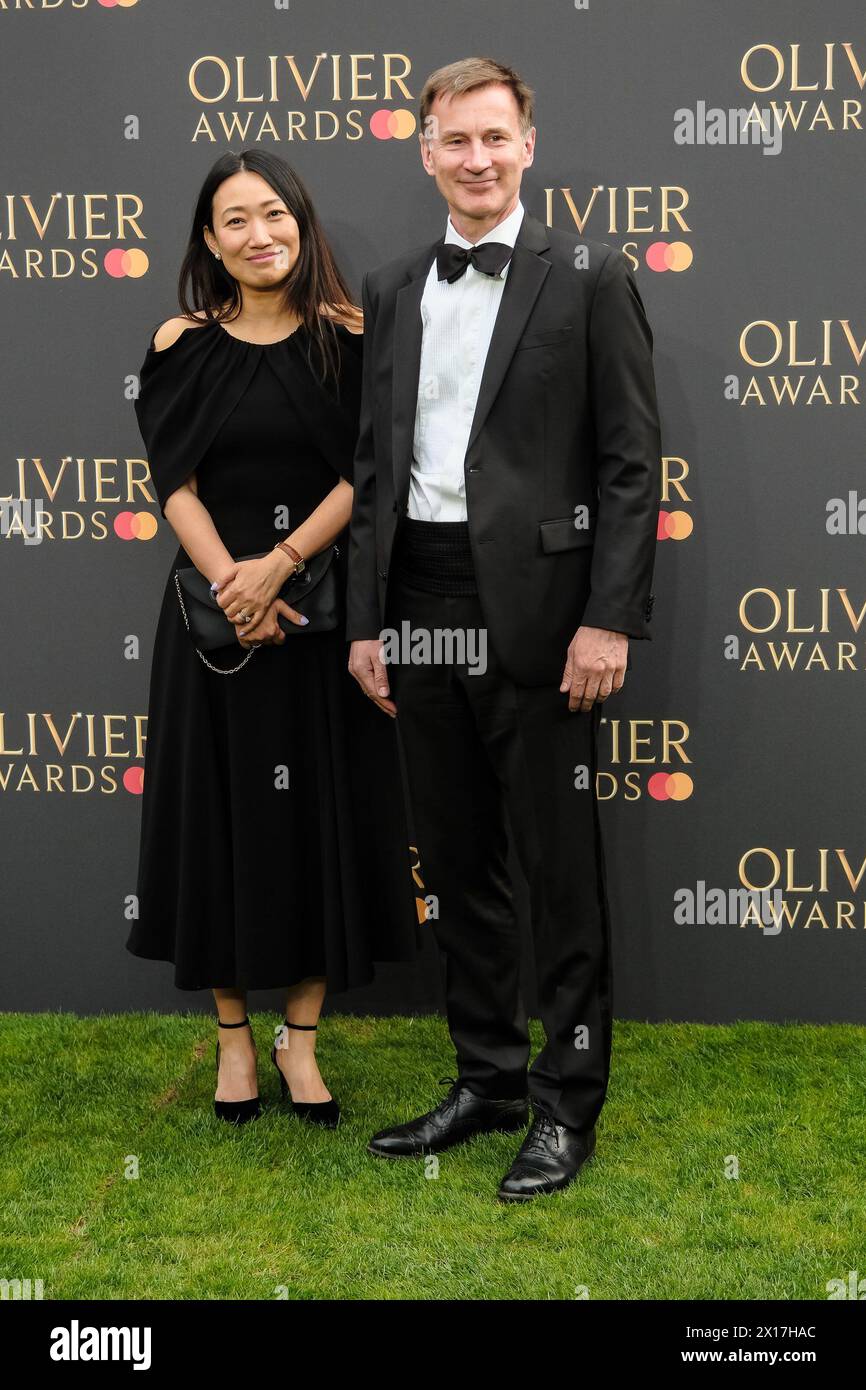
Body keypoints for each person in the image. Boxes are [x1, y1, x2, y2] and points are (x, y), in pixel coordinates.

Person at [348, 58, 662, 1200]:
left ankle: (565, 1105)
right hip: (419, 604)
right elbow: (376, 467)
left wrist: (606, 620)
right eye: (453, 140)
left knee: (555, 873)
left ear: (527, 143)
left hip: (536, 617)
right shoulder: (390, 288)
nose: (474, 159)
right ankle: (485, 1076)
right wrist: (364, 621)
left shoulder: (588, 276)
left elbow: (631, 465)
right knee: (458, 862)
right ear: (422, 150)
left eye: (494, 137)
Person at [127, 149, 420, 1129]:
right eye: (235, 221)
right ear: (208, 240)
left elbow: (365, 474)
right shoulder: (180, 341)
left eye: (274, 215)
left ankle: (300, 1040)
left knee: (313, 825)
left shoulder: (349, 338)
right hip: (213, 634)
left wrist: (278, 564)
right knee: (215, 823)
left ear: (302, 222)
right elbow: (175, 484)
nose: (260, 235)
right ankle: (232, 1043)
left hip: (312, 623)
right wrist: (230, 581)